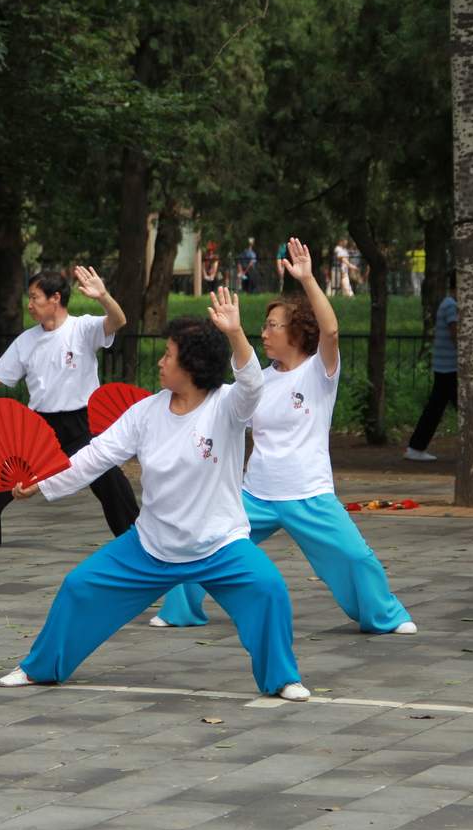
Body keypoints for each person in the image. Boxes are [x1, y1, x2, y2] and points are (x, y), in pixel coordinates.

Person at [0, 288, 310, 702]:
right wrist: (42, 483)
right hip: (150, 546)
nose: (160, 362)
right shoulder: (146, 412)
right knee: (78, 586)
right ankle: (41, 668)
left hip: (220, 544)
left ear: (192, 365)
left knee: (269, 589)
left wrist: (235, 334)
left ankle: (281, 678)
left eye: (168, 355)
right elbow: (96, 455)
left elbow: (252, 382)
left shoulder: (228, 407)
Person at [152, 238, 416, 636]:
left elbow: (332, 329)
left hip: (308, 492)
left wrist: (308, 279)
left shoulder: (319, 372)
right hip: (255, 493)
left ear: (296, 332)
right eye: (264, 326)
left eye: (273, 326)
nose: (265, 333)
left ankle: (384, 616)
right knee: (201, 539)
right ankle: (180, 610)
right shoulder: (260, 379)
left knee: (354, 557)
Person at [0, 267, 139, 550]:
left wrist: (103, 296)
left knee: (110, 479)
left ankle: (137, 540)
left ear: (55, 298)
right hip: (40, 425)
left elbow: (118, 320)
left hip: (81, 425)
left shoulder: (83, 328)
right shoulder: (27, 340)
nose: (29, 304)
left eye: (35, 297)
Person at [405, 274, 458, 461]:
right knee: (442, 409)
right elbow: (455, 334)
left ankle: (416, 446)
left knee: (435, 408)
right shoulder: (451, 305)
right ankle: (415, 447)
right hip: (449, 368)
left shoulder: (449, 303)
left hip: (447, 367)